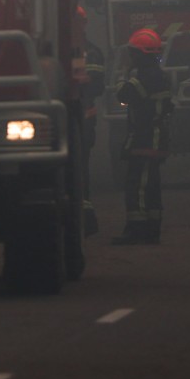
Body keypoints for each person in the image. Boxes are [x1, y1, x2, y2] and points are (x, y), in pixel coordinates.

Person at [111, 28, 173, 246]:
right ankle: (152, 228)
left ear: (139, 54)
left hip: (146, 137)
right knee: (151, 184)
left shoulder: (147, 76)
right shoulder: (157, 74)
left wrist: (120, 77)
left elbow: (123, 95)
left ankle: (137, 230)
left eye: (132, 53)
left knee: (138, 184)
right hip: (152, 135)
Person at [72, 25, 106, 237]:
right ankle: (83, 214)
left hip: (82, 119)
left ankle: (84, 216)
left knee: (80, 166)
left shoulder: (88, 52)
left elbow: (96, 86)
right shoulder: (83, 50)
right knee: (79, 167)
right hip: (80, 119)